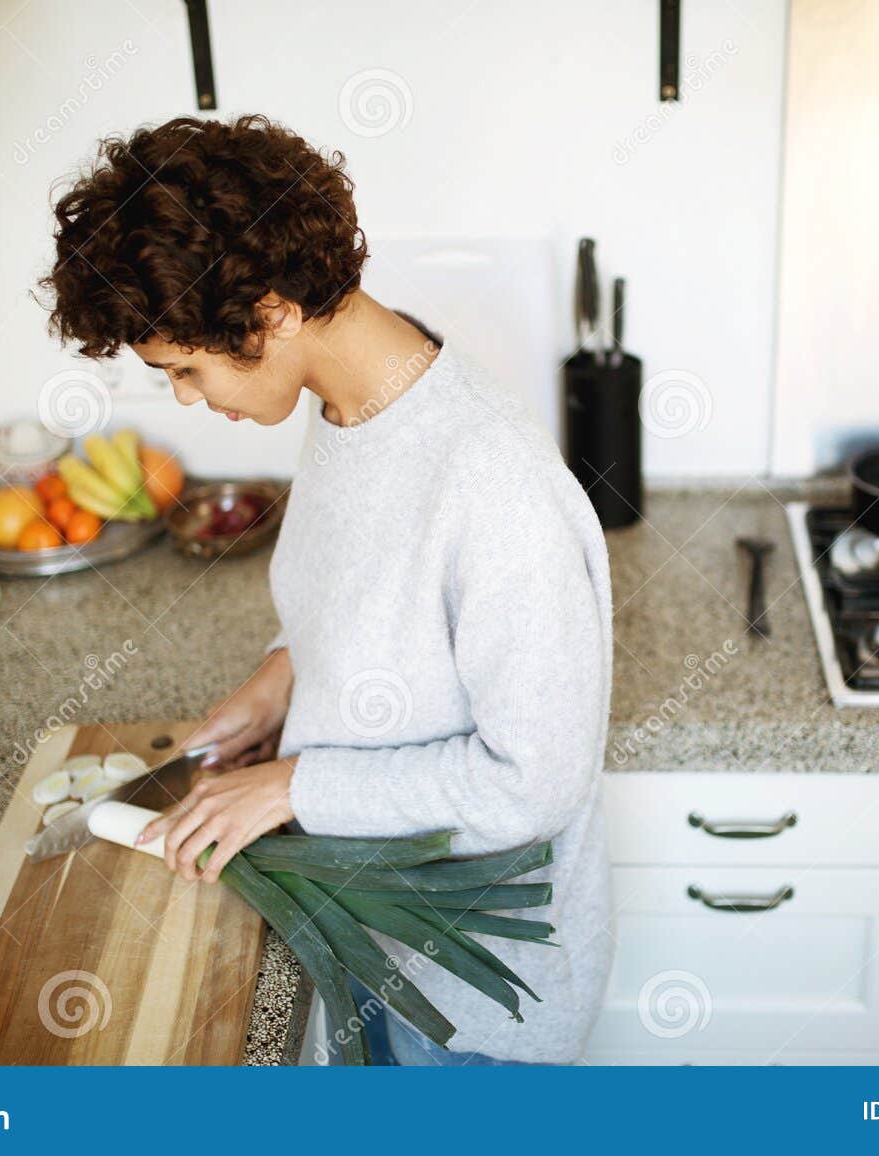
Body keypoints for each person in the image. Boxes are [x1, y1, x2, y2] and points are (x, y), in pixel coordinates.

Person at [41, 114, 613, 1064]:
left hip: (473, 1011)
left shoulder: (493, 484)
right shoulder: (351, 410)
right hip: (374, 945)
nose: (184, 397)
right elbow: (366, 599)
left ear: (270, 314)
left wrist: (292, 785)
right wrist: (283, 676)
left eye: (184, 367)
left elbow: (535, 784)